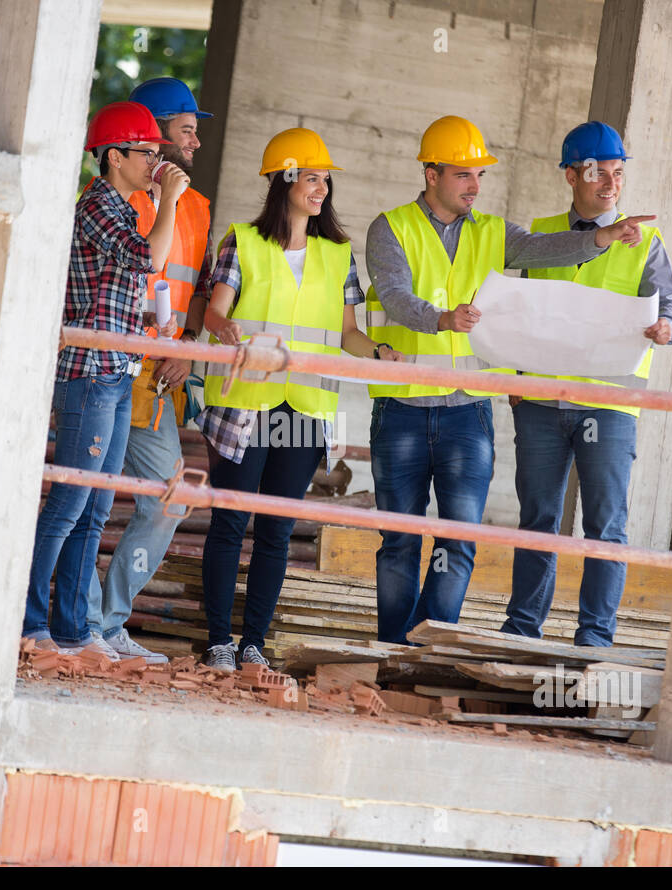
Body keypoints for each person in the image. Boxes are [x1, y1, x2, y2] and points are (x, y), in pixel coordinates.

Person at [366, 114, 652, 645]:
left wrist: (603, 238)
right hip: (402, 408)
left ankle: (427, 644)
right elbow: (397, 294)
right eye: (463, 175)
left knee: (462, 539)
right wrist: (441, 318)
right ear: (432, 175)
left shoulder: (495, 233)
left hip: (467, 411)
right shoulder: (391, 227)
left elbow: (549, 250)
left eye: (480, 176)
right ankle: (391, 647)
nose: (475, 186)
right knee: (400, 540)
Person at [198, 128, 405, 672]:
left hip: (303, 409)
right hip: (245, 402)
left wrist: (377, 351)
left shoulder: (338, 255)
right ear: (284, 180)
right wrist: (224, 334)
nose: (322, 186)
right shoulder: (240, 241)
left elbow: (346, 333)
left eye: (325, 178)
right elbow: (215, 312)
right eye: (311, 176)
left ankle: (253, 645)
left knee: (276, 529)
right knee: (230, 521)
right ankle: (219, 640)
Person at [502, 120, 672, 647]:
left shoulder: (645, 239)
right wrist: (516, 373)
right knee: (537, 520)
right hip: (540, 400)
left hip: (609, 403)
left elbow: (671, 304)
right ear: (570, 176)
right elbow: (519, 313)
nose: (610, 183)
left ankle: (595, 638)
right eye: (598, 172)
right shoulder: (539, 235)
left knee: (605, 526)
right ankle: (522, 630)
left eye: (618, 173)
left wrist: (667, 326)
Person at [21, 101, 190, 653]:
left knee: (94, 510)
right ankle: (29, 623)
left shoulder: (121, 209)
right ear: (114, 157)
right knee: (69, 505)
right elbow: (150, 257)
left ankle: (73, 629)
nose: (154, 162)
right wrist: (168, 201)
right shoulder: (96, 207)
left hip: (116, 373)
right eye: (146, 153)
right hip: (89, 376)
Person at [81, 77, 214, 664]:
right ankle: (81, 623)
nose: (196, 142)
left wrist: (185, 346)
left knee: (166, 500)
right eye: (186, 129)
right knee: (92, 498)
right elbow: (120, 285)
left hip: (158, 376)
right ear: (152, 133)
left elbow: (185, 293)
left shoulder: (197, 206)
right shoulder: (117, 198)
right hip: (113, 364)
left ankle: (107, 621)